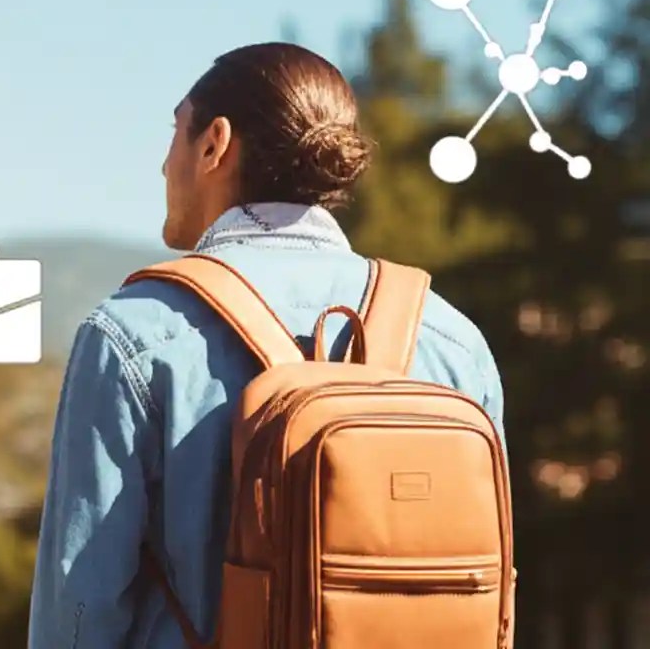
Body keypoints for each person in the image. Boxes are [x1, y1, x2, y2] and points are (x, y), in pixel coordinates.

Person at [27, 42, 506, 648]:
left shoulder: (136, 333)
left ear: (213, 144)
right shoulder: (453, 341)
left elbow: (79, 612)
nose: (163, 165)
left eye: (175, 132)